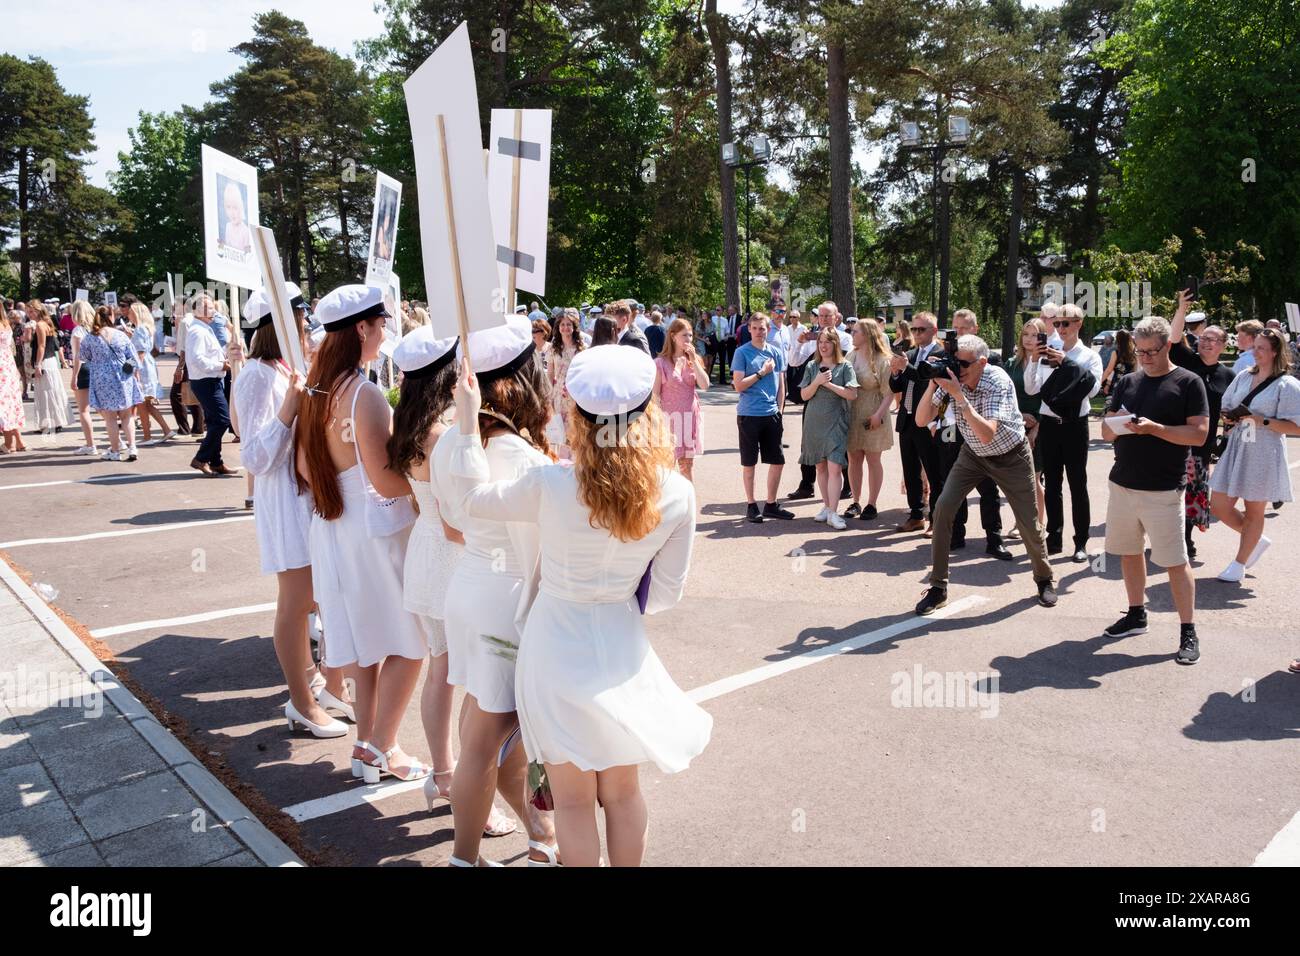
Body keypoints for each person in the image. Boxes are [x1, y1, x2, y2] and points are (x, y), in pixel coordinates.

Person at [449, 344, 711, 866]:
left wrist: (464, 425)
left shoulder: (550, 484)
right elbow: (662, 596)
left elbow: (468, 506)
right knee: (623, 793)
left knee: (571, 802)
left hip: (552, 649)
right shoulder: (678, 494)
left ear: (579, 417)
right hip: (620, 648)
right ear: (647, 415)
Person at [428, 316, 559, 867]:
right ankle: (464, 858)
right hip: (506, 605)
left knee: (497, 732)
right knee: (484, 741)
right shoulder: (524, 460)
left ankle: (540, 834)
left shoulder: (449, 443)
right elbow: (538, 560)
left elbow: (454, 525)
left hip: (467, 588)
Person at [293, 285, 431, 789]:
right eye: (381, 323)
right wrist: (432, 482)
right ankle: (379, 744)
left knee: (371, 644)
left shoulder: (316, 389)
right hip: (368, 531)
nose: (385, 332)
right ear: (361, 328)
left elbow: (306, 469)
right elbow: (385, 480)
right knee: (410, 642)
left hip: (332, 526)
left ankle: (370, 747)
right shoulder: (363, 394)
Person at [388, 326, 517, 836]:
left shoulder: (408, 423)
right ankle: (458, 782)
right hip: (446, 552)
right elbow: (457, 522)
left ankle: (445, 774)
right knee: (458, 678)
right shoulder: (442, 434)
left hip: (423, 549)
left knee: (440, 671)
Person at [233, 288, 350, 738]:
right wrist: (289, 407)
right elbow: (255, 458)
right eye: (299, 316)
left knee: (312, 598)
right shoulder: (257, 376)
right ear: (275, 326)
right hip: (282, 499)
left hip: (302, 497)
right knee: (297, 601)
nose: (305, 325)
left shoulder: (284, 369)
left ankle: (311, 681)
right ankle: (301, 703)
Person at [914, 335, 1058, 616]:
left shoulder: (996, 380)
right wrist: (933, 383)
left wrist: (958, 396)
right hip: (973, 455)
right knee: (942, 508)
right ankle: (938, 587)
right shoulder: (954, 377)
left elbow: (987, 432)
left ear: (981, 362)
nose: (959, 368)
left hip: (1011, 456)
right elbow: (921, 420)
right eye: (956, 362)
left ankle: (1044, 578)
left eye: (964, 364)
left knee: (1028, 523)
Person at [1100, 316, 1209, 664]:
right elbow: (1106, 432)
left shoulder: (1188, 382)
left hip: (1163, 488)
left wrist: (1156, 428)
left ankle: (1187, 631)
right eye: (1139, 351)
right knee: (1128, 552)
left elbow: (1199, 435)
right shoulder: (1129, 381)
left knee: (1175, 561)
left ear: (1167, 346)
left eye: (1151, 351)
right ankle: (1136, 613)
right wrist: (1116, 425)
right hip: (1122, 482)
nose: (1144, 357)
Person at [1208, 328, 1300, 583]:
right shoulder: (1243, 377)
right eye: (1254, 346)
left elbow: (1297, 427)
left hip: (1263, 451)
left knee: (1254, 509)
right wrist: (1229, 416)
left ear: (1274, 352)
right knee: (1218, 505)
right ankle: (1255, 540)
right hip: (1238, 445)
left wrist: (1264, 421)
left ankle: (1240, 563)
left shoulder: (1287, 385)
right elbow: (1226, 404)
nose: (1255, 352)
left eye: (1261, 348)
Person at [1022, 302, 1103, 561]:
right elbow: (1032, 389)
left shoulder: (1089, 356)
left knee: (1078, 484)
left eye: (1065, 323)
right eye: (1056, 323)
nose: (1060, 328)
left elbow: (1093, 390)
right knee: (1053, 484)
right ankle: (1054, 538)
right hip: (1049, 423)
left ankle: (1081, 542)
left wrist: (1066, 362)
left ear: (1078, 324)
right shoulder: (1049, 351)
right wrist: (1035, 360)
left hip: (1075, 425)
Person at [1167, 292, 1235, 560]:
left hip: (1202, 444)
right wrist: (1182, 308)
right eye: (1203, 338)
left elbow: (1231, 411)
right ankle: (1173, 537)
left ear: (1223, 345)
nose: (1206, 343)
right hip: (1175, 437)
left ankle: (1186, 538)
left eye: (1212, 340)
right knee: (1172, 489)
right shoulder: (1187, 361)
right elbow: (1173, 338)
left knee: (1194, 491)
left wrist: (1226, 436)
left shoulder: (1228, 376)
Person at [944, 308, 1008, 558]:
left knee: (988, 488)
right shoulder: (947, 356)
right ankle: (956, 535)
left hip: (981, 429)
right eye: (955, 327)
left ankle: (994, 538)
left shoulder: (990, 358)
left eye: (964, 328)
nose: (958, 332)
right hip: (953, 429)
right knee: (954, 484)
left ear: (975, 329)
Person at [732, 312, 795, 523]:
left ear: (769, 330)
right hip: (749, 414)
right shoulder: (742, 353)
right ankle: (751, 505)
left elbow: (781, 383)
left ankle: (770, 504)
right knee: (749, 463)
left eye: (763, 328)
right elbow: (738, 385)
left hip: (771, 415)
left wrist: (780, 410)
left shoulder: (776, 352)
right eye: (756, 328)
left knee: (777, 461)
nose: (760, 332)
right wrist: (761, 373)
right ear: (749, 329)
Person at [789, 302, 853, 500]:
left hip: (837, 398)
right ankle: (807, 483)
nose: (824, 319)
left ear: (837, 317)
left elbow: (846, 357)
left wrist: (823, 340)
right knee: (810, 442)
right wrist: (800, 342)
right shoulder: (810, 338)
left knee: (838, 442)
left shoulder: (845, 337)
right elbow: (793, 361)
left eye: (828, 316)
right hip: (814, 395)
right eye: (821, 316)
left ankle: (847, 484)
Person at [888, 311, 945, 532]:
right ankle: (916, 514)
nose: (917, 333)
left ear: (934, 331)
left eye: (922, 329)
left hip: (929, 421)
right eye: (914, 329)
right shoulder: (910, 354)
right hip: (907, 419)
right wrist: (894, 373)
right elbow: (896, 387)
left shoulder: (939, 354)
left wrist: (905, 368)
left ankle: (935, 518)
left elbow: (925, 381)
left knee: (933, 471)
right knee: (910, 471)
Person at [798, 329, 859, 529]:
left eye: (828, 342)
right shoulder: (811, 366)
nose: (823, 346)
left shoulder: (845, 366)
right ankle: (826, 507)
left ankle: (834, 513)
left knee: (835, 467)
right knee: (820, 467)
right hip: (814, 422)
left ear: (836, 344)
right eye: (821, 342)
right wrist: (817, 381)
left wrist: (829, 384)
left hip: (837, 422)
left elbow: (852, 394)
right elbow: (804, 395)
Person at [183, 294, 239, 477]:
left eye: (212, 307)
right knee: (222, 419)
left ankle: (216, 462)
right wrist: (221, 365)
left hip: (210, 379)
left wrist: (226, 355)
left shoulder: (204, 328)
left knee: (215, 421)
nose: (212, 311)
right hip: (205, 380)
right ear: (197, 311)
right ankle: (202, 458)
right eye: (207, 308)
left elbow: (208, 354)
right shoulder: (198, 331)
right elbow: (198, 359)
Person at [844, 318, 894, 520]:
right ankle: (855, 501)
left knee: (873, 459)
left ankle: (871, 503)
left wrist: (878, 415)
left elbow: (889, 392)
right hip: (853, 412)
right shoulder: (850, 355)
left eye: (855, 331)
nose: (852, 334)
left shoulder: (883, 360)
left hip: (875, 411)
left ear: (867, 335)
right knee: (854, 458)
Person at [1005, 318, 1051, 532]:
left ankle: (1037, 524)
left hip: (1039, 427)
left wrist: (1037, 426)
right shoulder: (1011, 363)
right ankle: (1020, 522)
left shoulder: (1047, 363)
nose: (1029, 339)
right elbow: (1005, 396)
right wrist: (1020, 415)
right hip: (1016, 424)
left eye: (1035, 335)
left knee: (1034, 479)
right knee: (1016, 481)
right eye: (1026, 334)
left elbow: (1051, 399)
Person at [81, 305, 143, 461]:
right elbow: (133, 359)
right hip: (123, 376)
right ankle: (132, 447)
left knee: (110, 418)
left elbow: (84, 356)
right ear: (112, 317)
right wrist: (128, 371)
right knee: (127, 415)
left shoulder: (90, 337)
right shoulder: (121, 335)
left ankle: (115, 451)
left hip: (102, 378)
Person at [653, 316, 708, 481]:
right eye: (685, 335)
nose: (688, 339)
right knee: (666, 465)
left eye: (690, 335)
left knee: (687, 466)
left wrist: (694, 361)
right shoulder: (660, 363)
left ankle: (688, 505)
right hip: (668, 420)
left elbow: (705, 385)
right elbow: (655, 396)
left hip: (689, 418)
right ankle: (666, 504)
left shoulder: (694, 360)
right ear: (673, 336)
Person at [128, 303, 172, 444]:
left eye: (131, 312)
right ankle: (166, 430)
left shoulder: (140, 329)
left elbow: (139, 353)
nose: (128, 314)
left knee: (142, 403)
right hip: (147, 365)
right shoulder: (145, 328)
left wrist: (132, 370)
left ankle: (148, 436)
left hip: (143, 368)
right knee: (146, 405)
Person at [545, 309, 584, 456]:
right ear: (558, 327)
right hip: (558, 394)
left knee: (573, 429)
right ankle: (559, 459)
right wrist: (548, 394)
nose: (565, 327)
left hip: (575, 394)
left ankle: (573, 460)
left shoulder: (581, 349)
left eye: (568, 324)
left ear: (573, 327)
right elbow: (549, 373)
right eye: (562, 324)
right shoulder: (553, 349)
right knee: (557, 429)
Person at [28, 302, 70, 435]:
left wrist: (38, 364)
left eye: (31, 311)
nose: (29, 314)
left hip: (45, 361)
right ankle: (54, 422)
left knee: (46, 392)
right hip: (50, 360)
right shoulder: (47, 323)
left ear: (37, 311)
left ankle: (50, 424)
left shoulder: (40, 325)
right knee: (51, 391)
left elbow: (41, 346)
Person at [68, 301, 97, 456]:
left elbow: (78, 356)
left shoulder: (78, 330)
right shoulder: (96, 329)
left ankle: (90, 444)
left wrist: (74, 376)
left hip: (84, 369)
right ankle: (118, 440)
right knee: (103, 408)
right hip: (97, 368)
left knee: (84, 410)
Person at [0, 311, 26, 453]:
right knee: (10, 402)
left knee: (3, 405)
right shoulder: (6, 325)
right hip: (8, 364)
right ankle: (19, 441)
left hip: (2, 366)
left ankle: (9, 443)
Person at [1100, 329, 1135, 396]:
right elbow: (1137, 370)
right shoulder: (1135, 352)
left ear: (1118, 339)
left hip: (1118, 385)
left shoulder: (1115, 353)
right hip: (1131, 384)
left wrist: (1099, 382)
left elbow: (1109, 370)